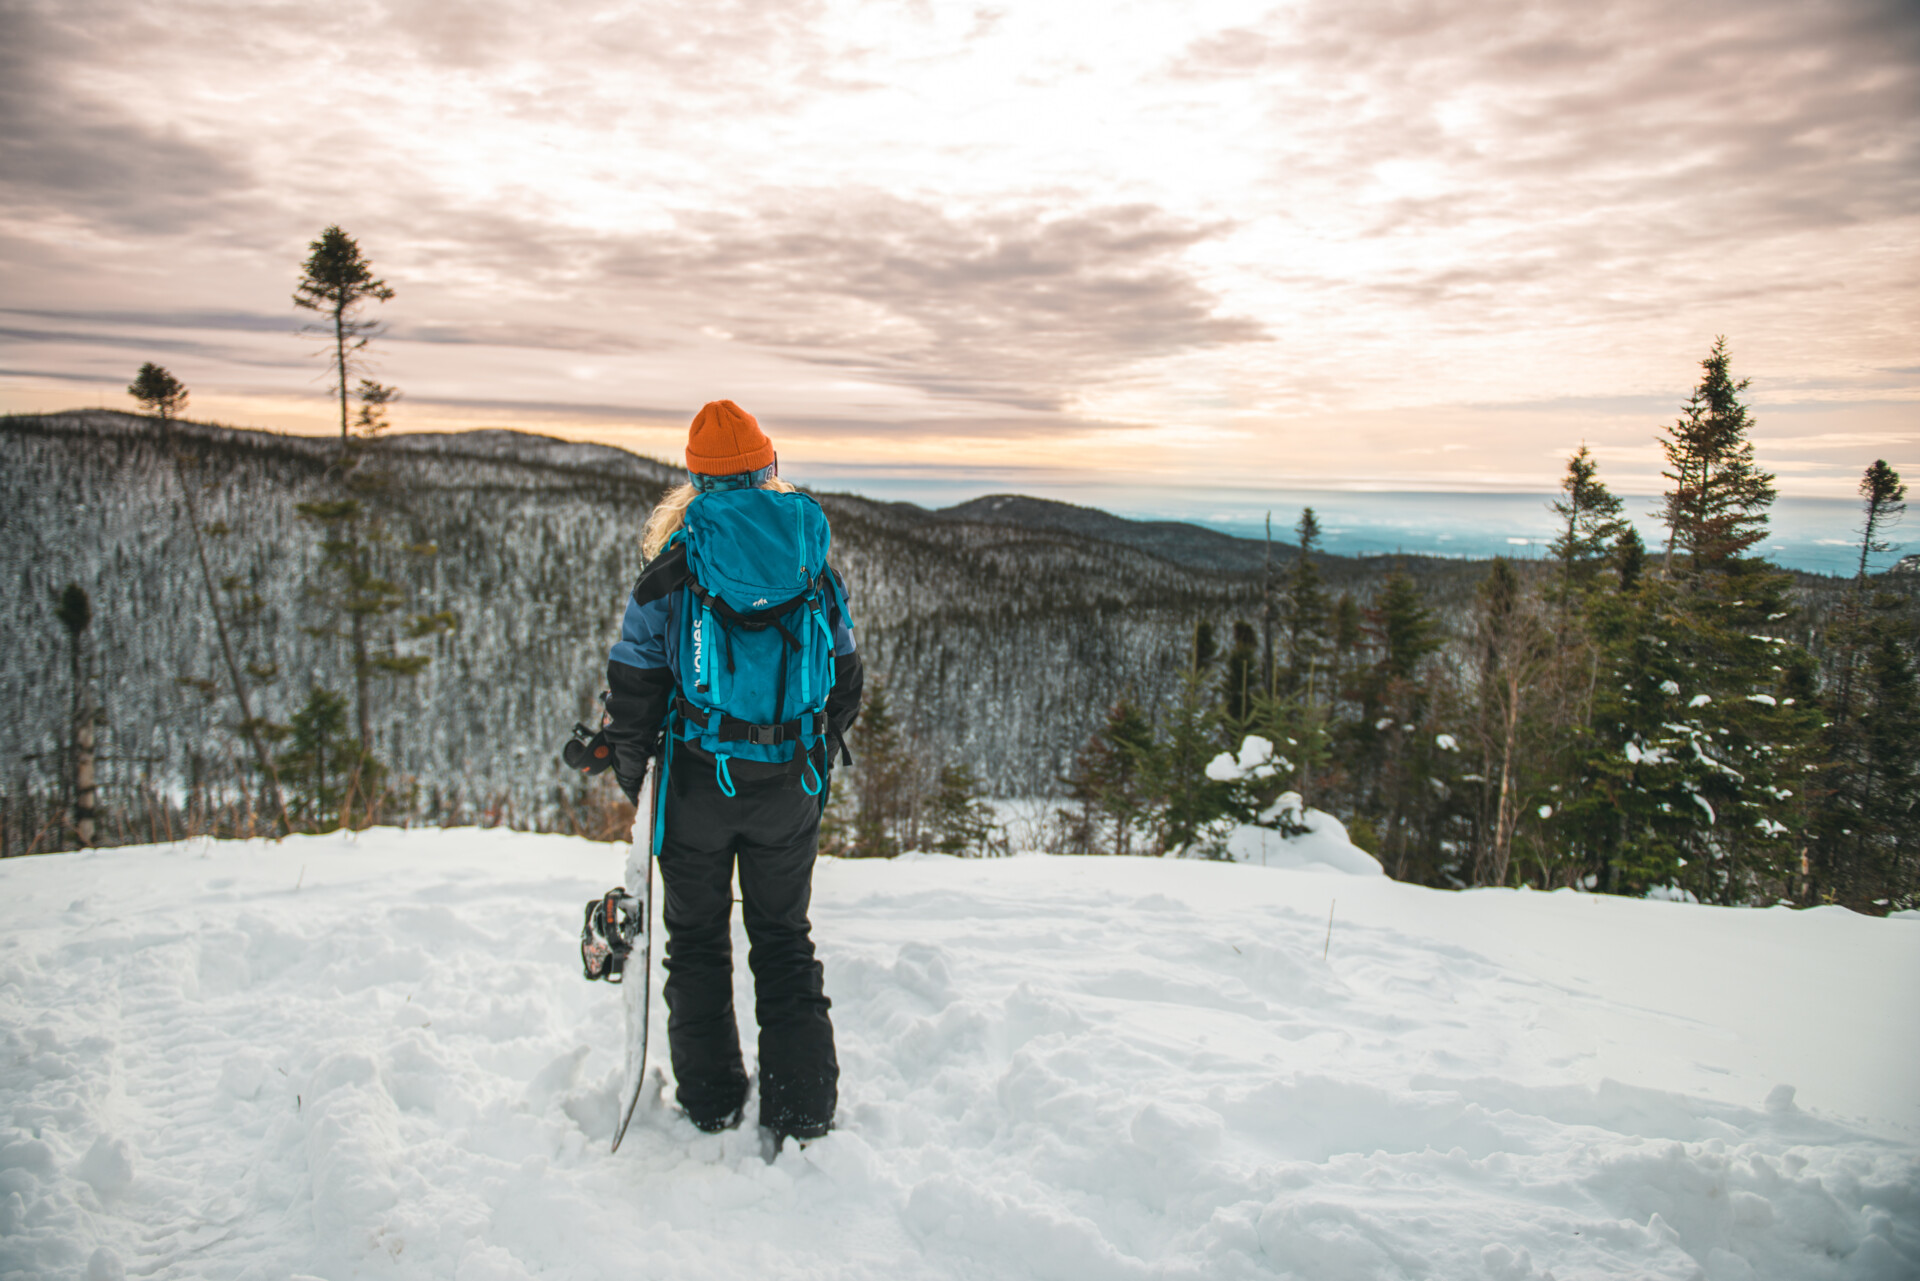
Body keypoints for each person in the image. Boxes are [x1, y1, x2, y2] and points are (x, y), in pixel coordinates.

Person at [601, 400, 863, 1145]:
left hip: (697, 786)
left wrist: (639, 784)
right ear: (766, 465)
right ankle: (803, 1108)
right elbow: (846, 678)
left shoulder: (672, 571)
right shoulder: (812, 565)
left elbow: (634, 691)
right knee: (784, 936)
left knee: (696, 941)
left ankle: (712, 1101)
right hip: (790, 785)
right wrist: (805, 751)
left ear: (696, 479)